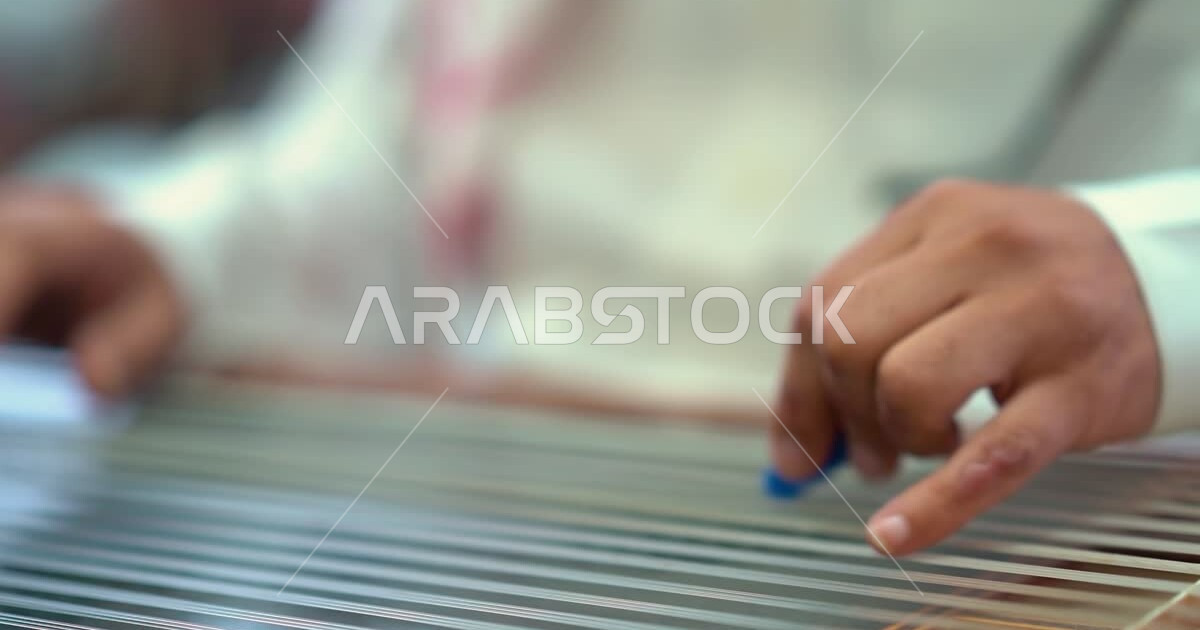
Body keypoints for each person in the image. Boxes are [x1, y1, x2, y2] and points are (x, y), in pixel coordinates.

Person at [3, 0, 1200, 557]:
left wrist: (1160, 277)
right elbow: (358, 177)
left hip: (1042, 555)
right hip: (501, 538)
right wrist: (167, 243)